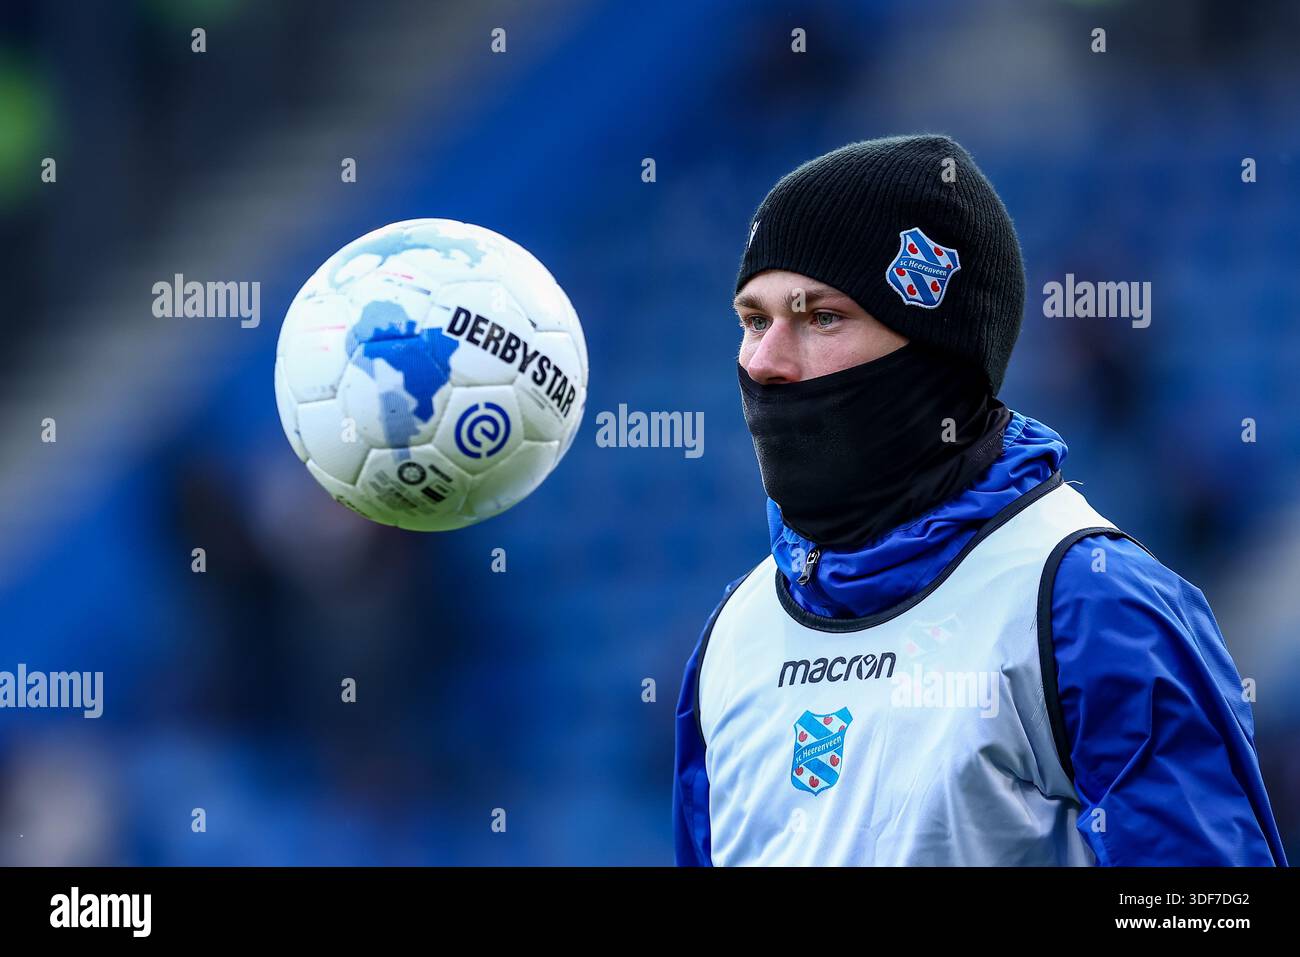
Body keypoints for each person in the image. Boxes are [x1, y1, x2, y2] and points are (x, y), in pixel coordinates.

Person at [673, 134, 1288, 866]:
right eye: (753, 319)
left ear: (932, 352)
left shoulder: (1088, 604)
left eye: (821, 317)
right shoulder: (733, 639)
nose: (765, 360)